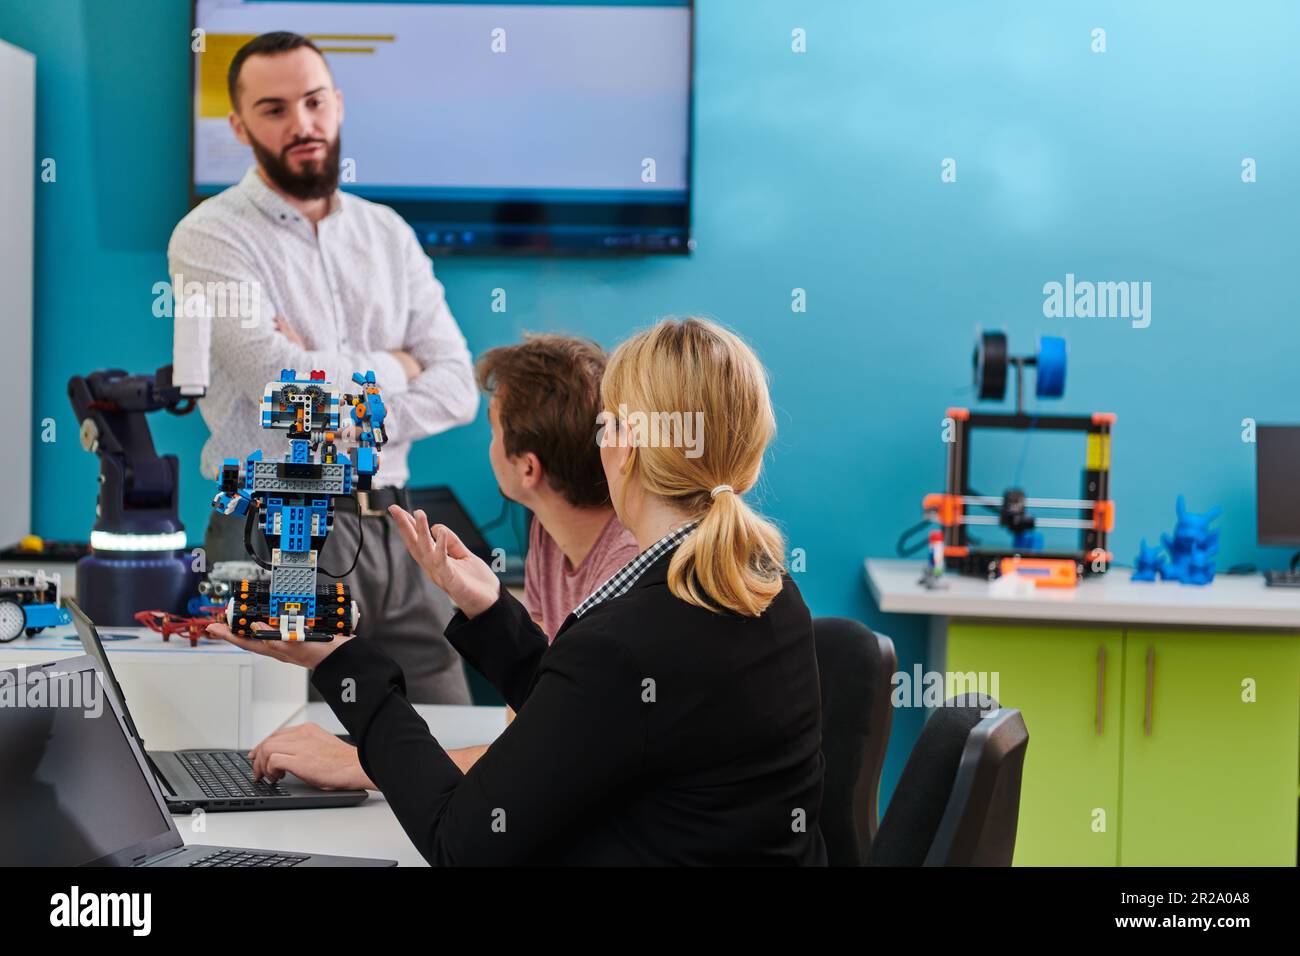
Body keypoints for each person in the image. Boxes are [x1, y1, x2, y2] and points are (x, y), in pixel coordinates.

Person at [212, 316, 826, 865]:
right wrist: (490, 612)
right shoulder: (766, 589)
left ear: (625, 446)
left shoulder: (626, 640)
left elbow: (459, 843)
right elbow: (590, 720)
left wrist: (346, 667)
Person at [169, 32, 478, 702]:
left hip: (399, 529)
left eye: (313, 102)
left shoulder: (388, 234)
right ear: (239, 124)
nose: (302, 124)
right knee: (284, 755)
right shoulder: (210, 236)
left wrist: (330, 387)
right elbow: (279, 386)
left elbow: (458, 386)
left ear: (337, 104)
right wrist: (397, 364)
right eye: (274, 109)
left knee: (449, 741)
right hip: (275, 531)